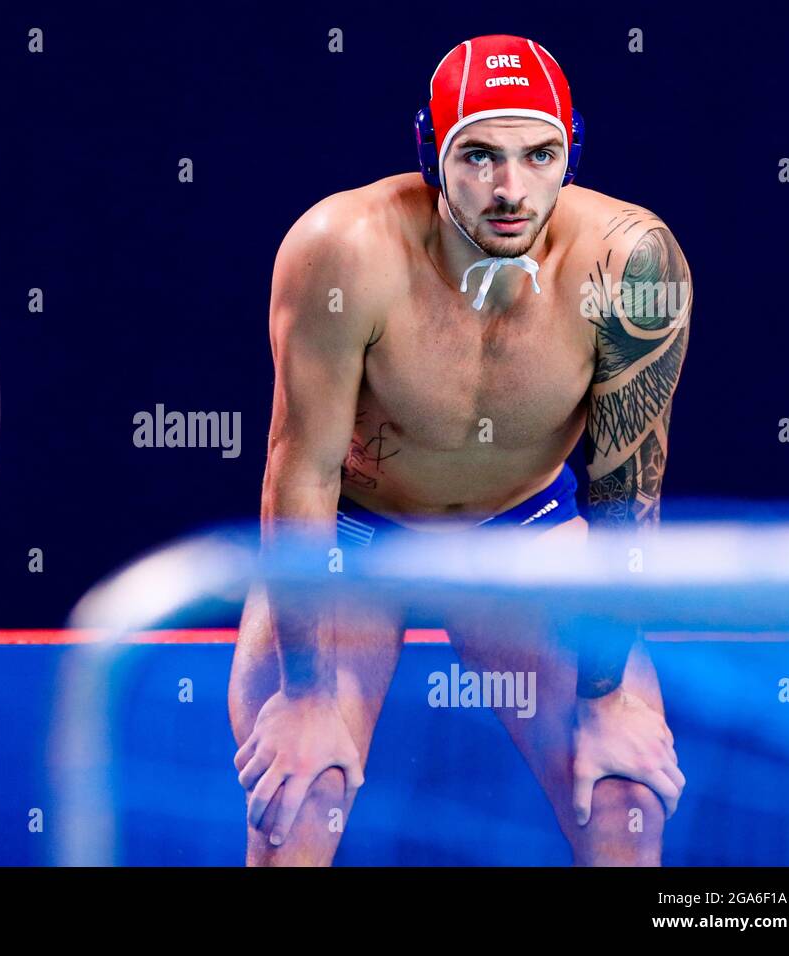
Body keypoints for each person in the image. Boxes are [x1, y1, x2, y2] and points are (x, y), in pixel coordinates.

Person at [228, 34, 691, 865]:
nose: (511, 189)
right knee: (299, 803)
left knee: (626, 804)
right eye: (478, 156)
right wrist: (302, 694)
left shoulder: (631, 263)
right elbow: (299, 475)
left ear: (570, 153)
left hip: (524, 530)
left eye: (538, 154)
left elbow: (628, 499)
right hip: (353, 540)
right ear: (429, 156)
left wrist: (607, 692)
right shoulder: (344, 248)